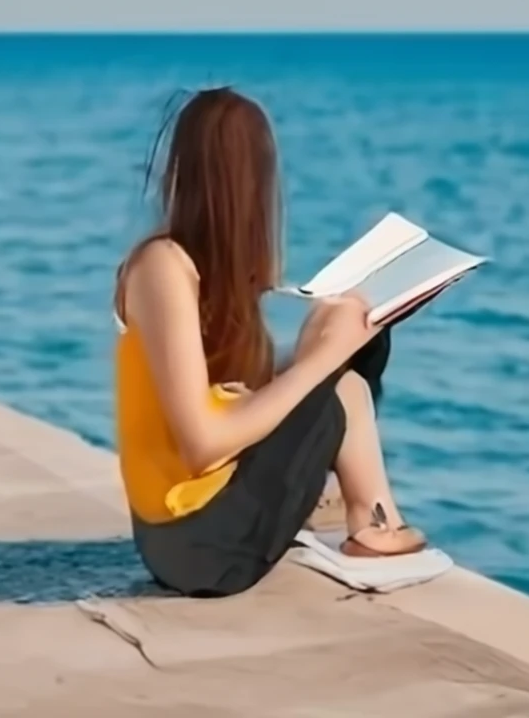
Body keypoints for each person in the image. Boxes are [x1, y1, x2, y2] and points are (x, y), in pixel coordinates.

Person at [114, 87, 426, 597]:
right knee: (338, 385)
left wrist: (321, 340)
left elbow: (219, 403)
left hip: (196, 531)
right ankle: (373, 526)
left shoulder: (195, 270)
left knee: (360, 339)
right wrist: (322, 359)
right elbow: (202, 445)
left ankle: (349, 507)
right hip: (195, 544)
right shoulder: (161, 267)